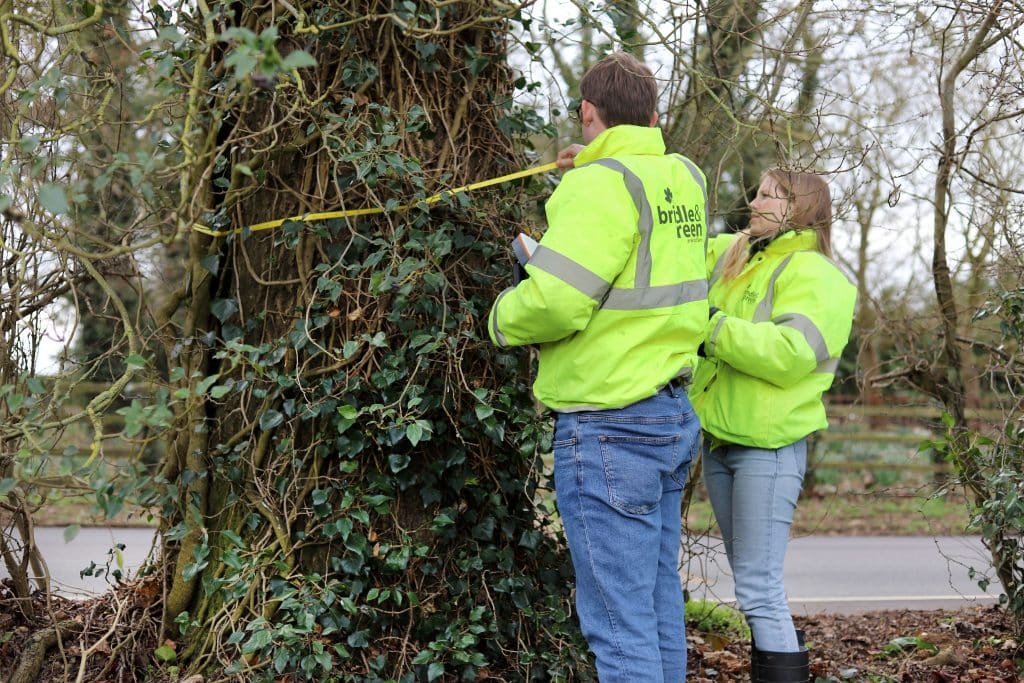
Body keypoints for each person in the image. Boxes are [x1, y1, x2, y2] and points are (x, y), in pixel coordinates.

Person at [487, 52, 709, 681]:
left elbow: (556, 301)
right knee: (657, 607)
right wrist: (585, 166)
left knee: (618, 628)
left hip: (610, 424)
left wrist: (504, 314)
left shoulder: (598, 184)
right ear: (654, 115)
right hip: (670, 415)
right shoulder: (682, 177)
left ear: (588, 112)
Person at [689, 170, 857, 682]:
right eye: (758, 191)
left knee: (758, 591)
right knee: (751, 585)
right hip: (721, 443)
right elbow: (676, 233)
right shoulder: (740, 256)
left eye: (770, 195)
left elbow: (790, 355)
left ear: (801, 209)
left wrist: (710, 326)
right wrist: (602, 163)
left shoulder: (818, 275)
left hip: (769, 447)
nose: (754, 201)